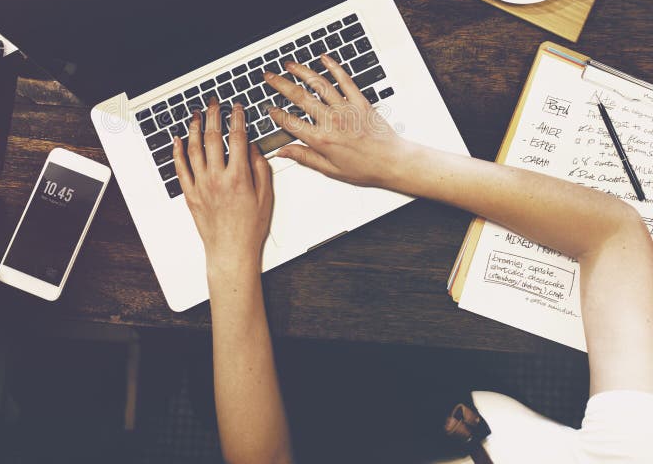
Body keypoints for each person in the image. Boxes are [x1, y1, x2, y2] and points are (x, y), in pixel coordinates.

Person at [172, 53, 653, 464]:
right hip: (444, 397)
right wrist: (395, 162)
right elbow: (614, 235)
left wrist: (229, 254)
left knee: (195, 368)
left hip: (328, 427)